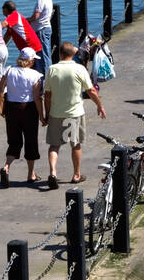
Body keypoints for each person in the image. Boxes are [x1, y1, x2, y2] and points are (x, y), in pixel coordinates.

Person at [43, 41, 106, 189]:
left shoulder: (52, 69)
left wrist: (47, 113)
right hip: (75, 113)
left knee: (54, 145)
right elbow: (91, 91)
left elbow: (47, 95)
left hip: (56, 113)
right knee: (75, 144)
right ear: (73, 54)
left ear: (60, 54)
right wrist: (99, 105)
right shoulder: (80, 69)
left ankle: (53, 172)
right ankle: (76, 174)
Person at [0, 47, 44, 185]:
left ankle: (6, 167)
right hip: (28, 109)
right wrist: (41, 115)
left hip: (11, 108)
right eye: (33, 59)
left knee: (14, 141)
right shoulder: (35, 75)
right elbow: (36, 98)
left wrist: (1, 105)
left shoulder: (9, 70)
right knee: (30, 140)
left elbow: (0, 88)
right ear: (30, 61)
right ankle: (31, 174)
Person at [30, 0, 54, 74]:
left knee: (43, 55)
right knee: (45, 53)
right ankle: (46, 75)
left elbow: (36, 16)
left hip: (41, 29)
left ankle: (47, 77)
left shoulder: (41, 0)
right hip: (46, 27)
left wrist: (27, 20)